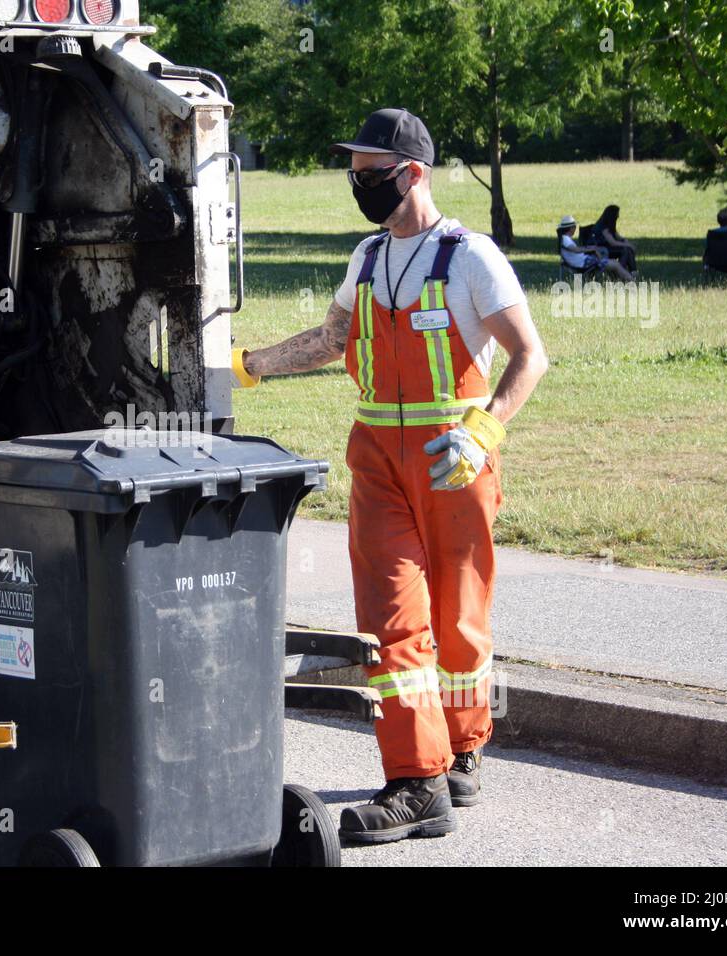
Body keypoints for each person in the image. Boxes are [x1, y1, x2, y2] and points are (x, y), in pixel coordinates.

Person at [229, 108, 548, 843]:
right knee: (391, 622)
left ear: (412, 174)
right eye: (354, 171)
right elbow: (332, 339)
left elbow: (529, 355)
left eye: (369, 172)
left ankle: (464, 750)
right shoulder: (368, 259)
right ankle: (416, 780)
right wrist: (250, 369)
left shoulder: (471, 257)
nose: (357, 182)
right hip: (376, 459)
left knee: (459, 618)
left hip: (453, 460)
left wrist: (485, 427)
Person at [559, 214, 633, 280]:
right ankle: (632, 282)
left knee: (612, 262)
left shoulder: (564, 238)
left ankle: (620, 279)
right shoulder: (565, 239)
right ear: (571, 228)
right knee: (615, 264)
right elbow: (575, 249)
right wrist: (591, 249)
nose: (575, 228)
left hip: (584, 261)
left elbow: (575, 250)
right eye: (574, 226)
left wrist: (589, 248)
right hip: (584, 263)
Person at [592, 204, 638, 276]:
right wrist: (629, 245)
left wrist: (624, 240)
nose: (618, 216)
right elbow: (612, 242)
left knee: (627, 249)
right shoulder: (603, 226)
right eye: (617, 213)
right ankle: (621, 273)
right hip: (603, 249)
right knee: (625, 250)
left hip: (609, 248)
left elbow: (617, 236)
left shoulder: (610, 224)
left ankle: (631, 272)